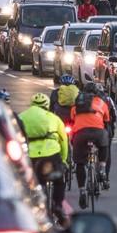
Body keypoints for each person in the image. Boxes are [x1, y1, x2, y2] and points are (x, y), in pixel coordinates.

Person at [19, 93, 70, 221]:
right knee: (59, 180)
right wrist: (63, 160)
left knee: (33, 183)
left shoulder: (21, 116)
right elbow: (64, 140)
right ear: (47, 105)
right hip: (51, 154)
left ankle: (33, 208)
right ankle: (57, 206)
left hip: (31, 155)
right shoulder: (54, 118)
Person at [70, 82, 112, 209]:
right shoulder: (101, 103)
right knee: (104, 144)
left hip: (81, 135)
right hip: (98, 133)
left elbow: (72, 120)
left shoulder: (76, 106)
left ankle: (82, 190)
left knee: (80, 164)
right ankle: (102, 169)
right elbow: (107, 120)